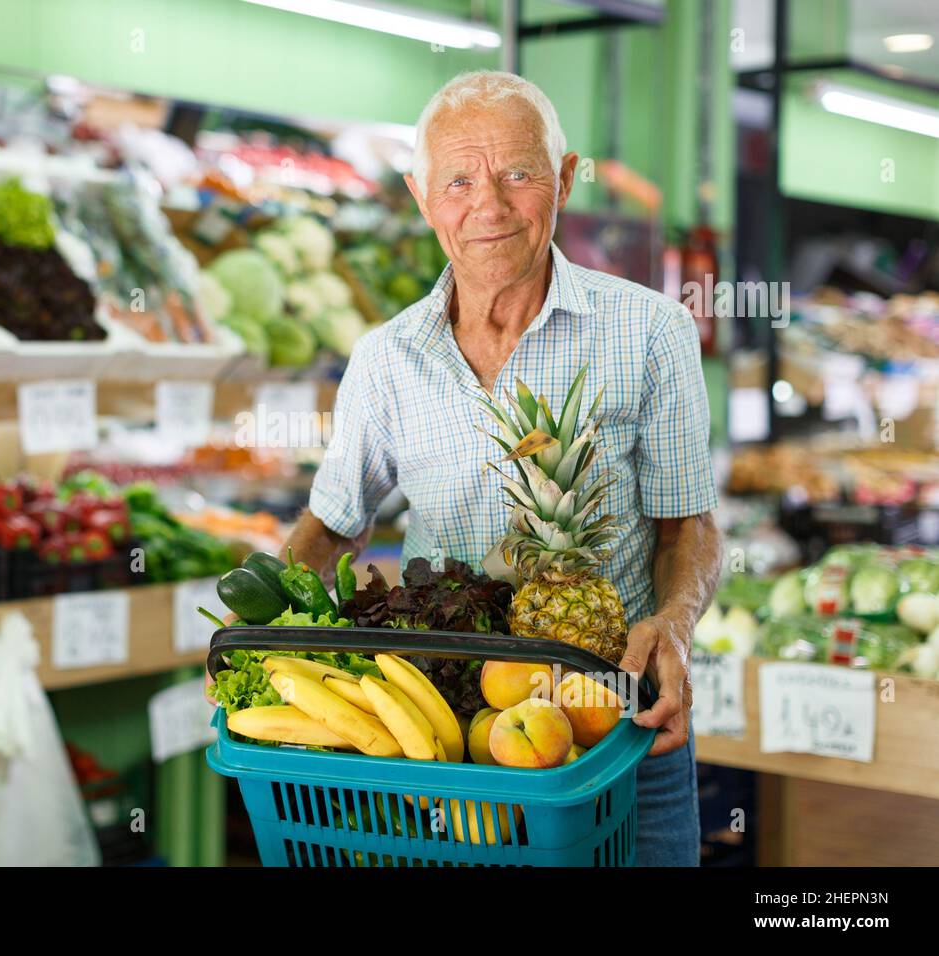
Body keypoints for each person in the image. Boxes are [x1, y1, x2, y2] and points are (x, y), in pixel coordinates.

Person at [239, 70, 722, 867]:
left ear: (563, 181)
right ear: (423, 197)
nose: (488, 206)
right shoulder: (387, 358)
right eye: (458, 180)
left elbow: (687, 525)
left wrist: (674, 621)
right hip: (455, 742)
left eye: (518, 174)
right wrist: (259, 641)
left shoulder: (650, 332)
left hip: (619, 722)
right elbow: (330, 526)